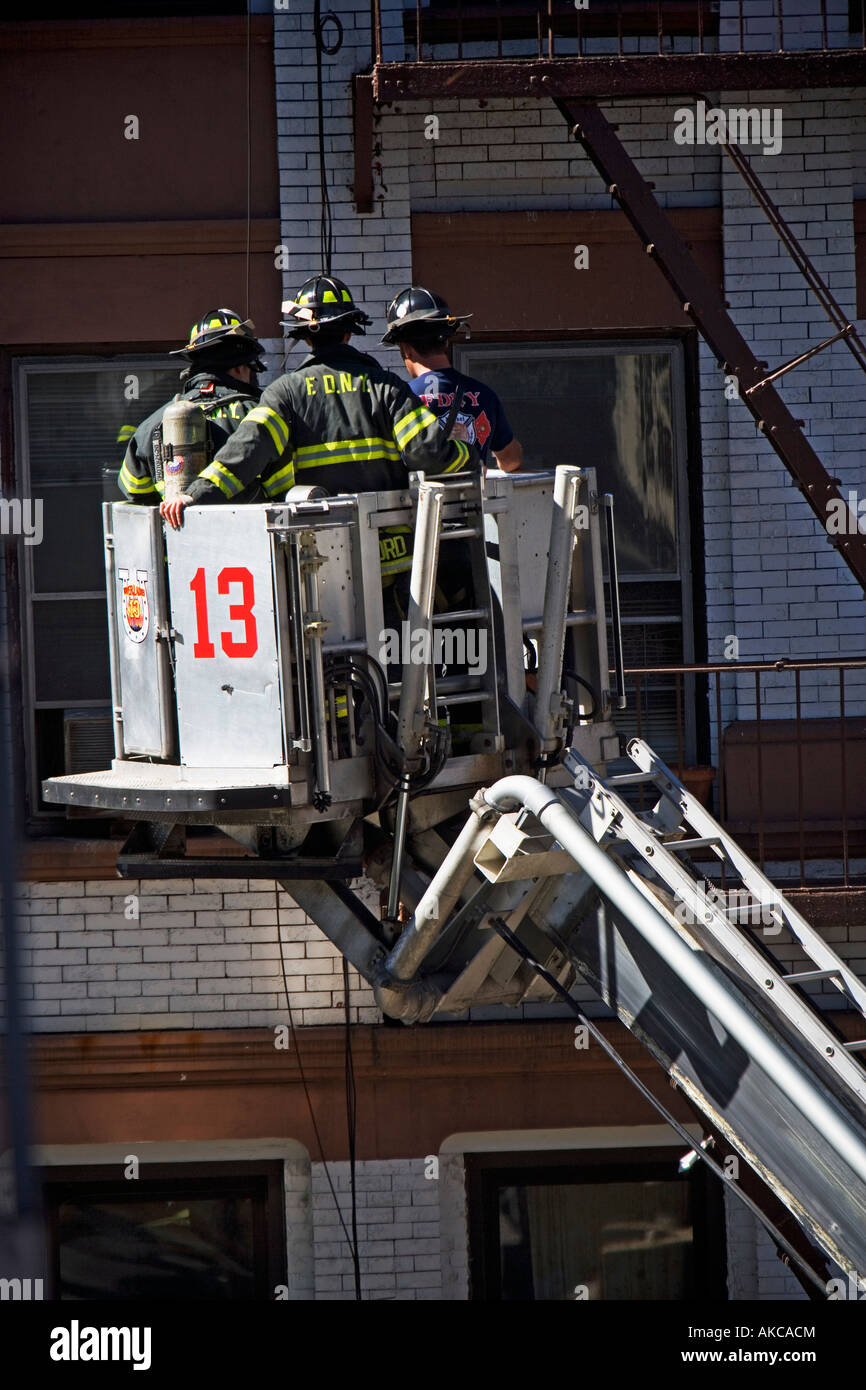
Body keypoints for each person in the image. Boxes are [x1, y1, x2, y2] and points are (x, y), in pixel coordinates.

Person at [159, 276, 480, 602]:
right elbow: (428, 455)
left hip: (318, 563)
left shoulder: (284, 394)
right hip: (391, 562)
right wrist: (467, 453)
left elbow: (246, 451)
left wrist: (194, 495)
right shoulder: (386, 387)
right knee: (396, 649)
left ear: (306, 338)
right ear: (348, 331)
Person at [118, 309, 266, 505]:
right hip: (249, 533)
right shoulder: (260, 416)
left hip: (177, 532)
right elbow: (283, 486)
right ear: (240, 366)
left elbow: (133, 489)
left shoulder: (152, 425)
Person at [381, 286, 523, 473]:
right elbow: (511, 461)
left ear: (406, 349)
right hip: (473, 500)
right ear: (446, 342)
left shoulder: (400, 400)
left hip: (421, 501)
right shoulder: (485, 396)